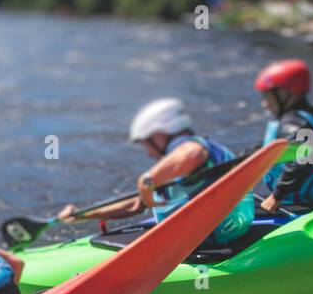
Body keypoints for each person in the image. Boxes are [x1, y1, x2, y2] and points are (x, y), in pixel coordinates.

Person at [57, 98, 255, 246]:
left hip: (210, 241)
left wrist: (147, 181)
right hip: (234, 230)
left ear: (158, 135)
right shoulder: (193, 156)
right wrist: (83, 215)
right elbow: (135, 205)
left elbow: (193, 153)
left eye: (146, 145)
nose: (149, 154)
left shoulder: (191, 150)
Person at [254, 59, 313, 212]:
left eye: (268, 97)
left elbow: (300, 162)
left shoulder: (294, 123)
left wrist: (277, 196)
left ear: (285, 94)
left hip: (298, 199)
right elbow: (266, 147)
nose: (265, 104)